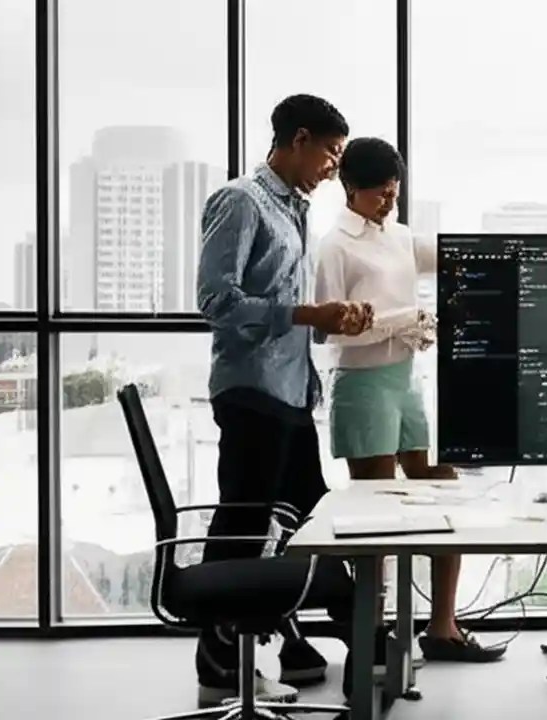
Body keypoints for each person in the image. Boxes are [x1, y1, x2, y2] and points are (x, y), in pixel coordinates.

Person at [195, 94, 373, 706]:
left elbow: (289, 310)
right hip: (251, 393)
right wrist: (305, 312)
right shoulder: (241, 201)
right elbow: (217, 302)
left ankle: (313, 646)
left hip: (292, 392)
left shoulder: (294, 210)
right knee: (245, 528)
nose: (333, 167)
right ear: (299, 140)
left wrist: (330, 322)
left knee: (311, 522)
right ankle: (222, 666)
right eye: (330, 152)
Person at [314, 137, 505, 663]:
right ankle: (371, 640)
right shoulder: (335, 246)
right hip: (362, 384)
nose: (388, 202)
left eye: (394, 193)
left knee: (446, 492)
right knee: (378, 514)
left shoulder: (397, 236)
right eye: (379, 193)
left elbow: (446, 254)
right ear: (350, 188)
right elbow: (330, 334)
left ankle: (442, 627)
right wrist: (407, 321)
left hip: (404, 382)